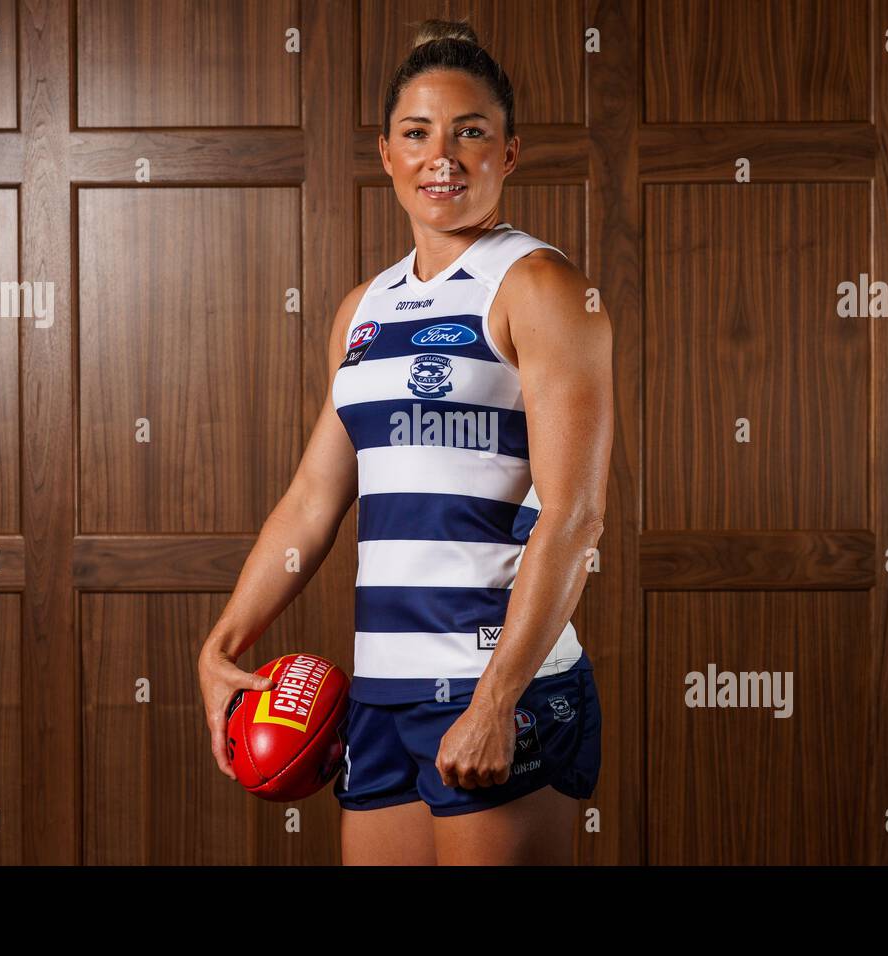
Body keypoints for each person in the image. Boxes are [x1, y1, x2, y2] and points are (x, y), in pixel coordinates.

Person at [198, 18, 613, 865]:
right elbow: (313, 500)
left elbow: (576, 517)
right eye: (418, 134)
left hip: (500, 683)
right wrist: (224, 641)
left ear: (510, 151)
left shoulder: (540, 285)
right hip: (380, 697)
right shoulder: (363, 309)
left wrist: (499, 698)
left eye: (472, 133)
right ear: (386, 153)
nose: (444, 156)